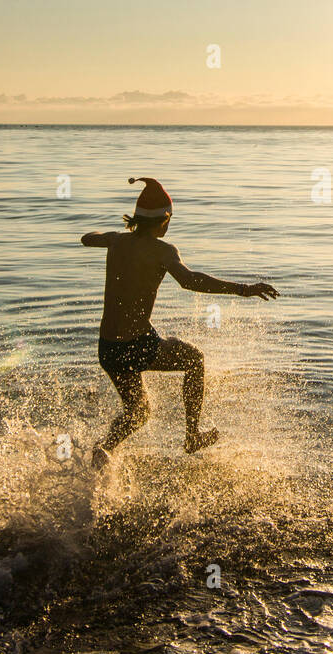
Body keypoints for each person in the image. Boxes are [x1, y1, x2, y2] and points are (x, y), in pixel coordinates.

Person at [81, 176, 279, 464]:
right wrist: (243, 289)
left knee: (138, 413)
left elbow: (87, 239)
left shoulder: (115, 241)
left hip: (108, 350)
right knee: (195, 360)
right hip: (137, 346)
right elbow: (189, 280)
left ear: (137, 219)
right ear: (165, 219)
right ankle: (192, 435)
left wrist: (114, 235)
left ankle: (104, 450)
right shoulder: (164, 251)